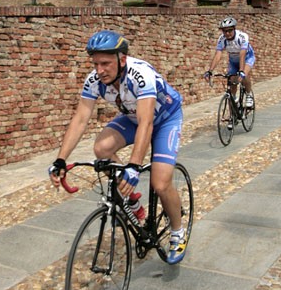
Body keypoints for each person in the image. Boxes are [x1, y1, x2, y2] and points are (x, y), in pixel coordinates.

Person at [48, 31, 187, 265]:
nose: (100, 70)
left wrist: (133, 166)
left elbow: (147, 122)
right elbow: (80, 118)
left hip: (164, 118)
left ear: (122, 60)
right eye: (95, 64)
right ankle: (132, 201)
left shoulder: (140, 74)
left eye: (105, 63)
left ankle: (177, 231)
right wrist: (60, 159)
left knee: (161, 183)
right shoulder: (94, 80)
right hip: (133, 118)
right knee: (102, 149)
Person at [204, 16, 255, 105]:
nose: (227, 33)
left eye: (230, 30)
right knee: (232, 80)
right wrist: (210, 71)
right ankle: (234, 103)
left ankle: (248, 95)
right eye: (224, 31)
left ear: (234, 29)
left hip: (247, 58)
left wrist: (242, 71)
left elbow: (242, 54)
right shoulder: (222, 39)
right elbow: (218, 55)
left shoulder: (242, 37)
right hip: (233, 61)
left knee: (244, 76)